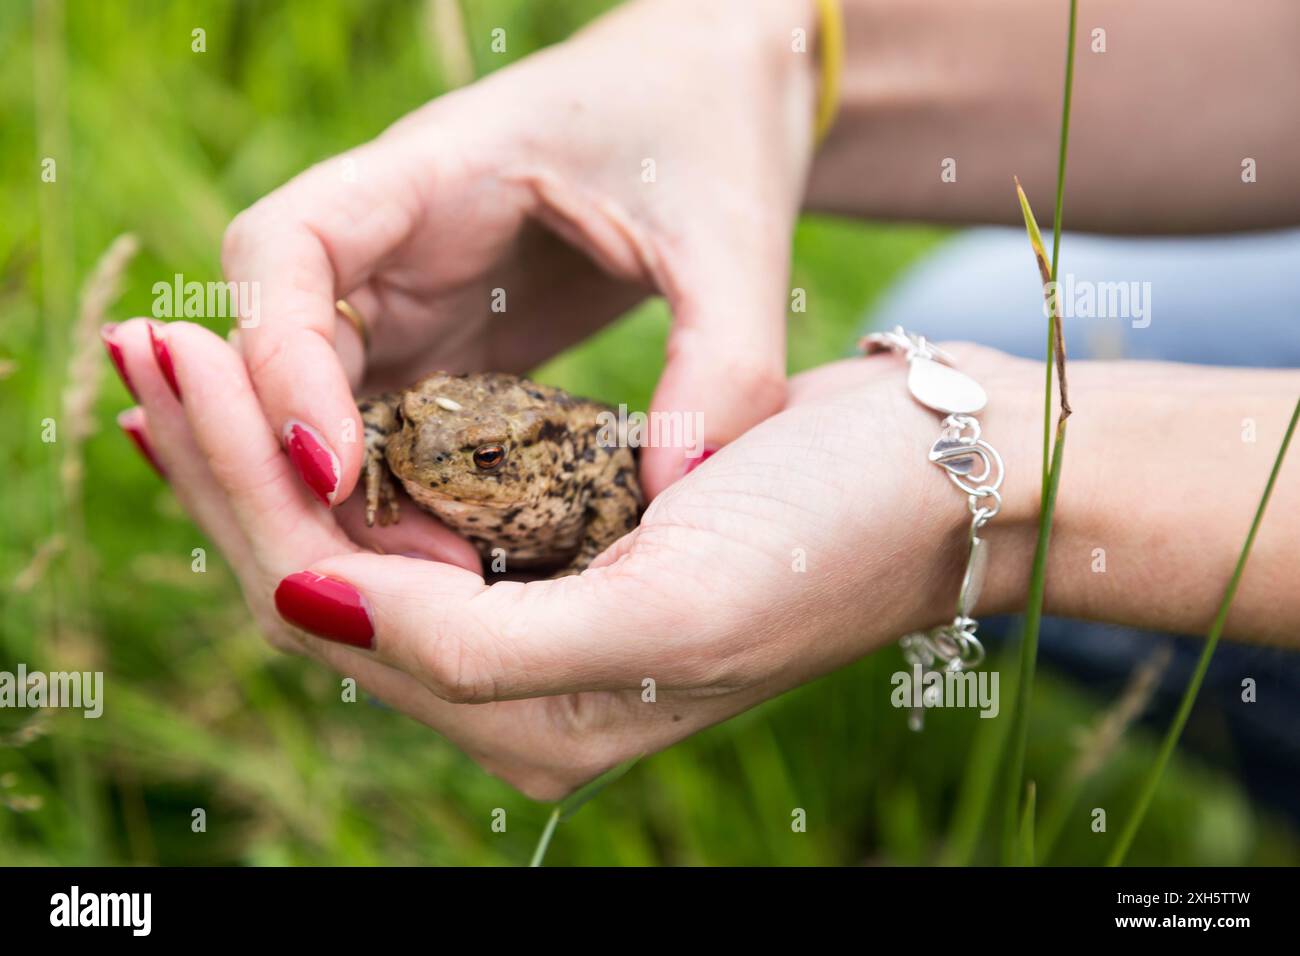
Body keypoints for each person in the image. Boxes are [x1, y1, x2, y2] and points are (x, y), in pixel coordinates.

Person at [101, 0, 1299, 800]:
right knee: (986, 308)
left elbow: (601, 468)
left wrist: (1019, 474)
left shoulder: (565, 461)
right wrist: (765, 54)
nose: (432, 453)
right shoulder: (421, 430)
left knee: (990, 361)